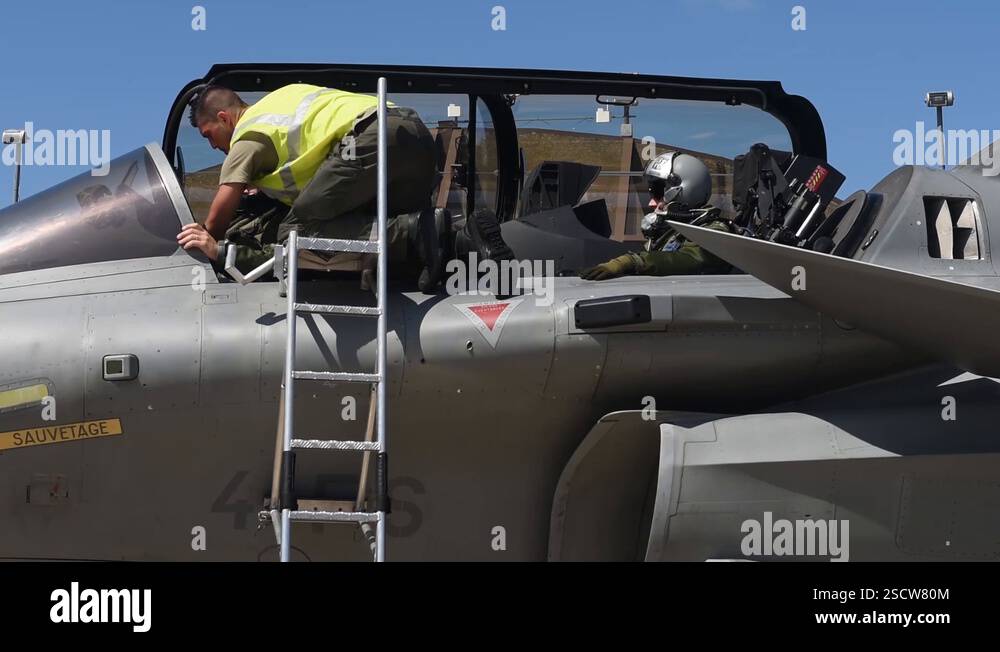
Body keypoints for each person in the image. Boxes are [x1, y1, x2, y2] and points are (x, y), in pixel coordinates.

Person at [177, 84, 510, 290]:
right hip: (414, 138)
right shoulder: (279, 101)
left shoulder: (249, 132)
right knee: (389, 238)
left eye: (209, 135)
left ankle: (423, 232)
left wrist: (209, 238)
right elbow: (321, 178)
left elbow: (226, 195)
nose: (212, 147)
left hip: (372, 140)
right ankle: (467, 240)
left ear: (224, 118)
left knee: (295, 231)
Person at [579, 152, 734, 280]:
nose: (652, 202)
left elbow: (693, 259)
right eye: (652, 192)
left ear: (686, 190)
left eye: (659, 193)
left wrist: (633, 262)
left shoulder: (714, 231)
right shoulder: (671, 232)